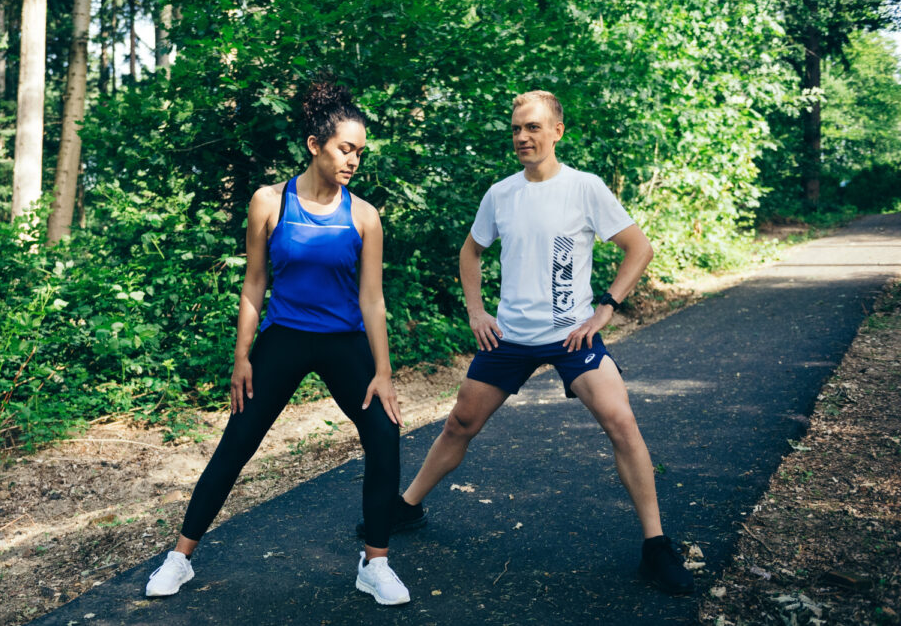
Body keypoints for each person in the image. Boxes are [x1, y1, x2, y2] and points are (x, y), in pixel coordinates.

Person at [361, 90, 694, 595]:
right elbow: (470, 252)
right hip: (510, 337)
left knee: (622, 423)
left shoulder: (585, 188)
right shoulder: (501, 194)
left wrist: (607, 307)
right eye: (517, 128)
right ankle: (406, 508)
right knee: (460, 423)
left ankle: (656, 547)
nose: (522, 136)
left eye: (533, 127)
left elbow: (639, 249)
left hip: (571, 336)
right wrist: (476, 311)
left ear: (557, 132)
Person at [144, 82, 411, 606]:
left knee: (384, 434)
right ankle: (180, 557)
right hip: (284, 336)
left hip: (343, 340)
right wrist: (241, 357)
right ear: (315, 145)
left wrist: (383, 372)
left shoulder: (364, 215)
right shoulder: (270, 202)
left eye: (359, 152)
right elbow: (254, 283)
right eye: (345, 149)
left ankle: (375, 563)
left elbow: (372, 298)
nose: (353, 161)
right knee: (237, 442)